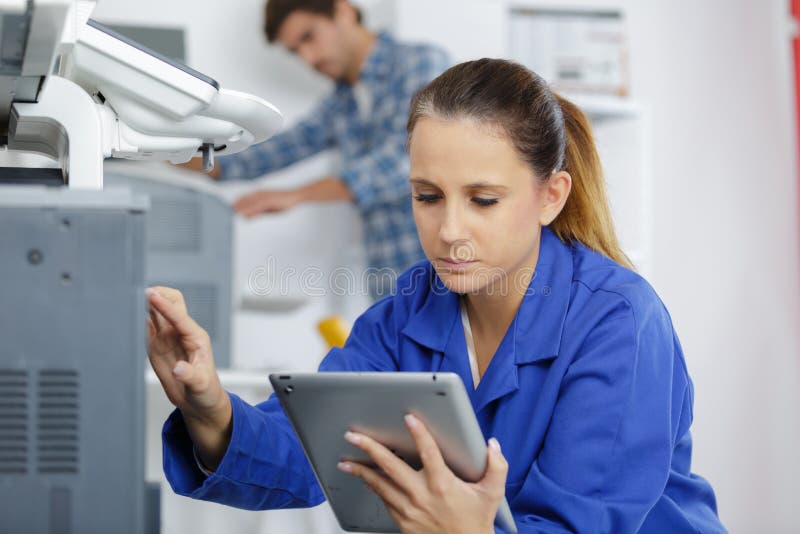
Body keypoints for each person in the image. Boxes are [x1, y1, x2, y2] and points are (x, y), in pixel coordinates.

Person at [148, 59, 727, 533]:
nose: (450, 231)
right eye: (428, 196)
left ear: (551, 197)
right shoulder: (408, 313)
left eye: (483, 200)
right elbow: (315, 450)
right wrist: (212, 411)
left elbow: (581, 521)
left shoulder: (619, 321)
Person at [207, 0, 450, 297]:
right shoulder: (341, 104)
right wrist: (166, 151)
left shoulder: (422, 63)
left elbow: (409, 162)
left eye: (308, 36)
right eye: (296, 51)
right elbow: (265, 154)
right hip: (392, 293)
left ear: (343, 11)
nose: (308, 58)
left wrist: (298, 195)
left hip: (449, 282)